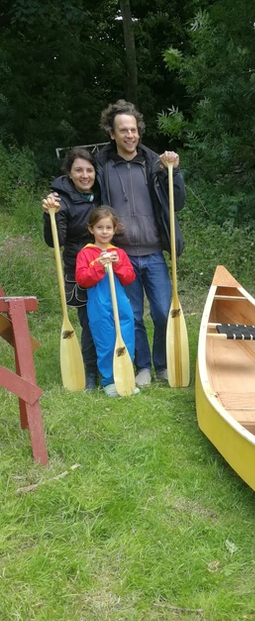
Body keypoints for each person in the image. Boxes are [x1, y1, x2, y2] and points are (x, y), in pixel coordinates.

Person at [94, 99, 186, 387]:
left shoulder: (154, 163)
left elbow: (177, 203)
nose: (129, 135)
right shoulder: (102, 165)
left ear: (139, 131)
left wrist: (175, 172)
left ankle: (161, 364)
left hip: (154, 253)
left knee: (162, 312)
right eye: (123, 130)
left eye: (133, 129)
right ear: (112, 133)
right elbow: (83, 191)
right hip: (121, 255)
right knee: (131, 315)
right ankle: (142, 366)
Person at [42, 147, 101, 390]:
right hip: (80, 268)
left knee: (106, 318)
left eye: (89, 170)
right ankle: (90, 372)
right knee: (88, 321)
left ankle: (111, 364)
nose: (85, 175)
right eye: (79, 170)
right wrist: (50, 215)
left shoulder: (100, 193)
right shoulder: (60, 199)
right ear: (69, 173)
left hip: (105, 264)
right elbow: (54, 240)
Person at [75, 206, 138, 398]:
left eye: (108, 227)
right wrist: (100, 265)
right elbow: (82, 280)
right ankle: (109, 381)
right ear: (91, 229)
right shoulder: (86, 254)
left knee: (126, 337)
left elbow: (129, 278)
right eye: (100, 227)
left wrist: (117, 263)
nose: (104, 232)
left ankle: (127, 376)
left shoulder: (119, 253)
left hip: (120, 302)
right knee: (105, 340)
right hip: (99, 303)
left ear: (114, 229)